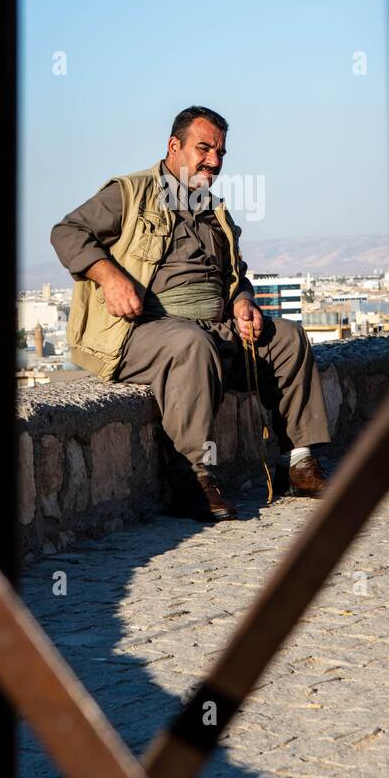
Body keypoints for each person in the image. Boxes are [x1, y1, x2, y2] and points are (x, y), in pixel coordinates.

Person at [50, 106, 332, 522]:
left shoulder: (214, 210)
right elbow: (67, 232)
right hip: (144, 331)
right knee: (191, 344)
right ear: (173, 146)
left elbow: (237, 276)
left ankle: (300, 465)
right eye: (204, 149)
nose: (214, 161)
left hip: (215, 329)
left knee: (288, 337)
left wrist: (242, 302)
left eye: (220, 153)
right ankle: (191, 482)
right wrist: (109, 277)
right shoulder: (129, 192)